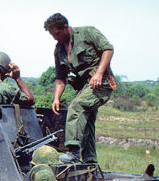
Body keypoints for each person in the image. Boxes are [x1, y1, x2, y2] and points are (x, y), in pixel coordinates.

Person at [44, 12, 115, 164]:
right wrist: (56, 98)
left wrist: (99, 73)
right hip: (85, 87)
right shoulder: (59, 50)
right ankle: (90, 163)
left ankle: (73, 152)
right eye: (52, 35)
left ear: (65, 27)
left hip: (100, 83)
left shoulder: (87, 33)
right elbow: (60, 78)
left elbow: (108, 49)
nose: (55, 38)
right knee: (86, 123)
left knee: (77, 106)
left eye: (57, 33)